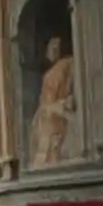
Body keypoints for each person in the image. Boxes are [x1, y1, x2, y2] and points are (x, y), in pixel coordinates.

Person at [28, 35, 75, 166]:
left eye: (56, 47)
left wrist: (62, 105)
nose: (53, 50)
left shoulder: (69, 64)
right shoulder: (48, 74)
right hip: (46, 119)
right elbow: (45, 101)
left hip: (58, 117)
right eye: (51, 47)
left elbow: (71, 91)